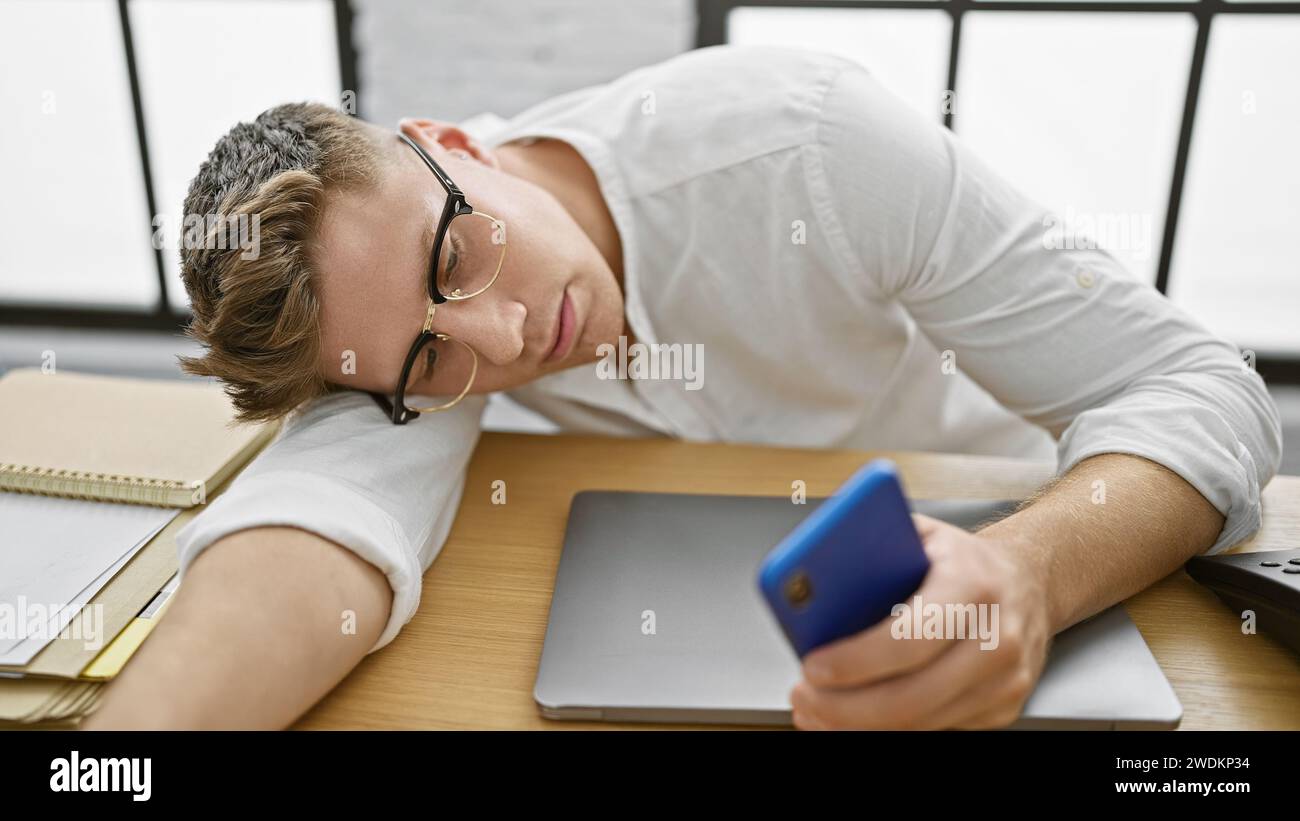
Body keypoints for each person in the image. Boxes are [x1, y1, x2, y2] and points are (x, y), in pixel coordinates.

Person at [84, 45, 1281, 730]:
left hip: (1064, 568)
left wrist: (1027, 570)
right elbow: (319, 523)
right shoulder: (385, 333)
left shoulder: (810, 143)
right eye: (430, 361)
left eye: (460, 257)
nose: (502, 339)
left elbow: (1197, 385)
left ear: (454, 143)